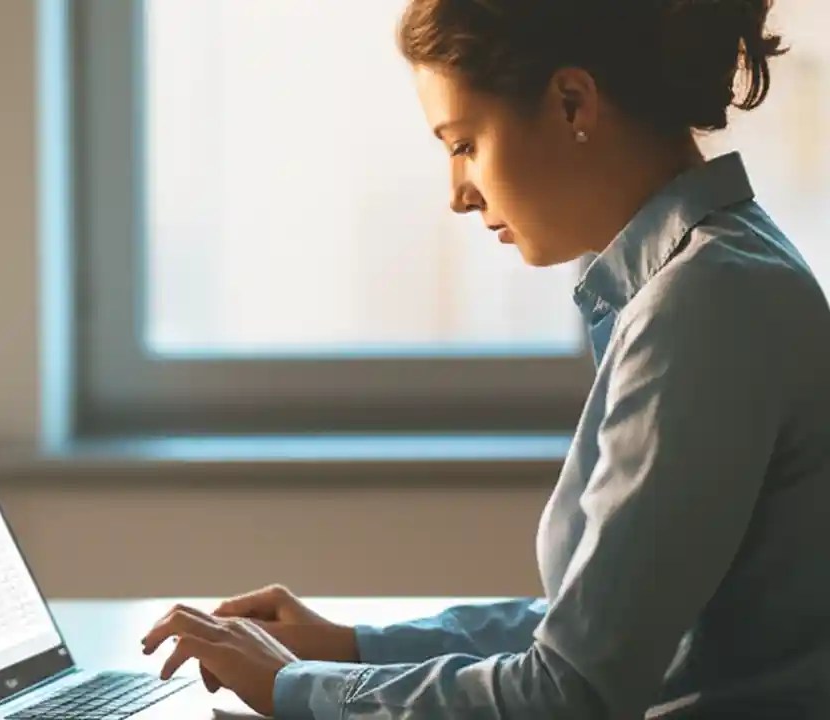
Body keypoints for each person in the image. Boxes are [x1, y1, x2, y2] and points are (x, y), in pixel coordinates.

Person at [141, 0, 830, 717]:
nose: (457, 195)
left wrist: (294, 690)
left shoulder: (705, 307)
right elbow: (596, 630)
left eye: (464, 143)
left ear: (571, 103)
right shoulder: (717, 276)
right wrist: (350, 647)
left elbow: (569, 694)